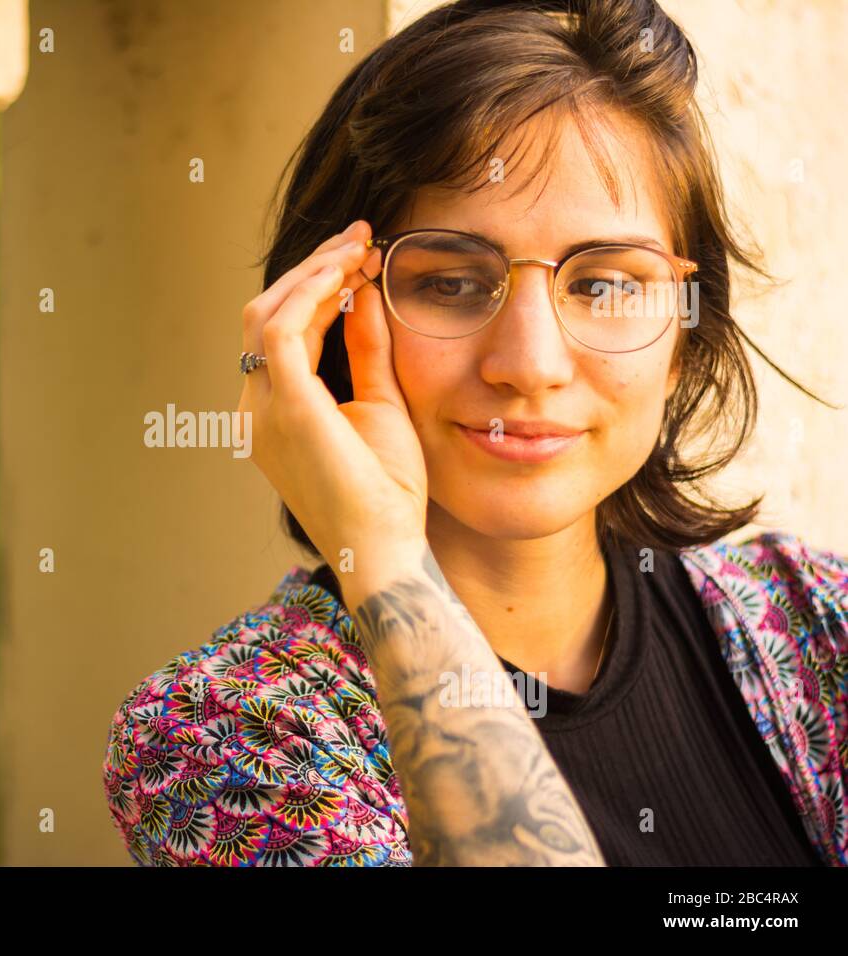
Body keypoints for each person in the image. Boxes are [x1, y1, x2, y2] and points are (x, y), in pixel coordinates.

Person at [101, 0, 848, 866]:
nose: (528, 364)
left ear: (686, 333)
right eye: (452, 281)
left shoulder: (817, 630)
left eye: (605, 284)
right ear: (332, 322)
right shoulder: (229, 732)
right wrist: (382, 559)